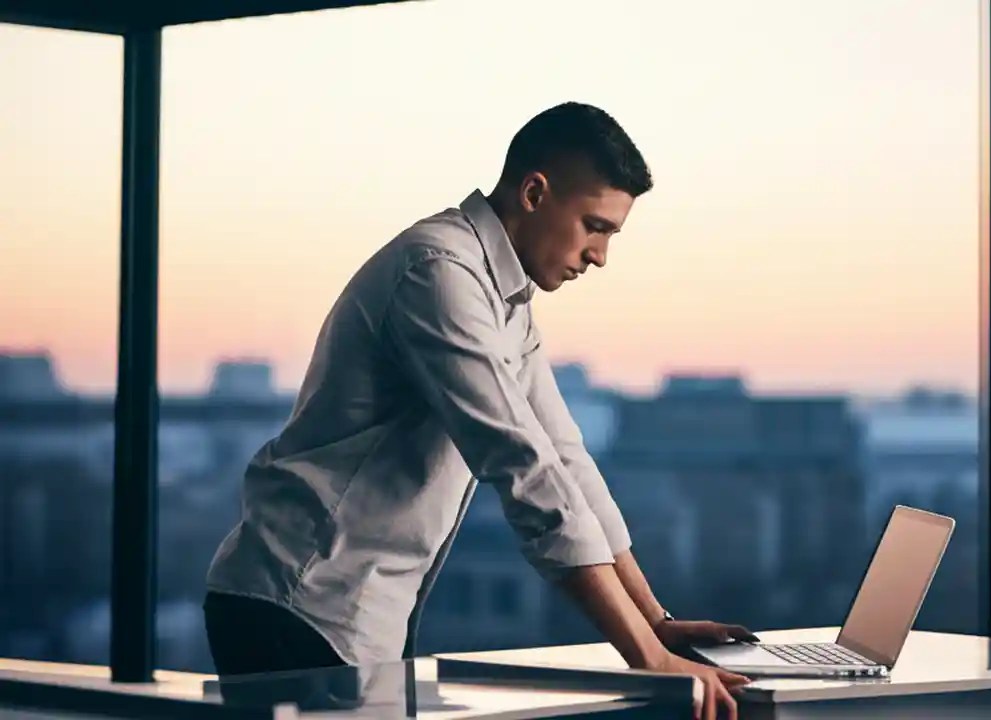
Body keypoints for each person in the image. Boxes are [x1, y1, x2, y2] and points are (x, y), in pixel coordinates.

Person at [204, 101, 753, 719]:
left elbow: (564, 460)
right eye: (595, 227)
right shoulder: (437, 274)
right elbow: (526, 474)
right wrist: (645, 658)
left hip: (356, 613)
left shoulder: (503, 298)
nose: (600, 255)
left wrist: (655, 624)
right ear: (535, 192)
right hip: (300, 600)